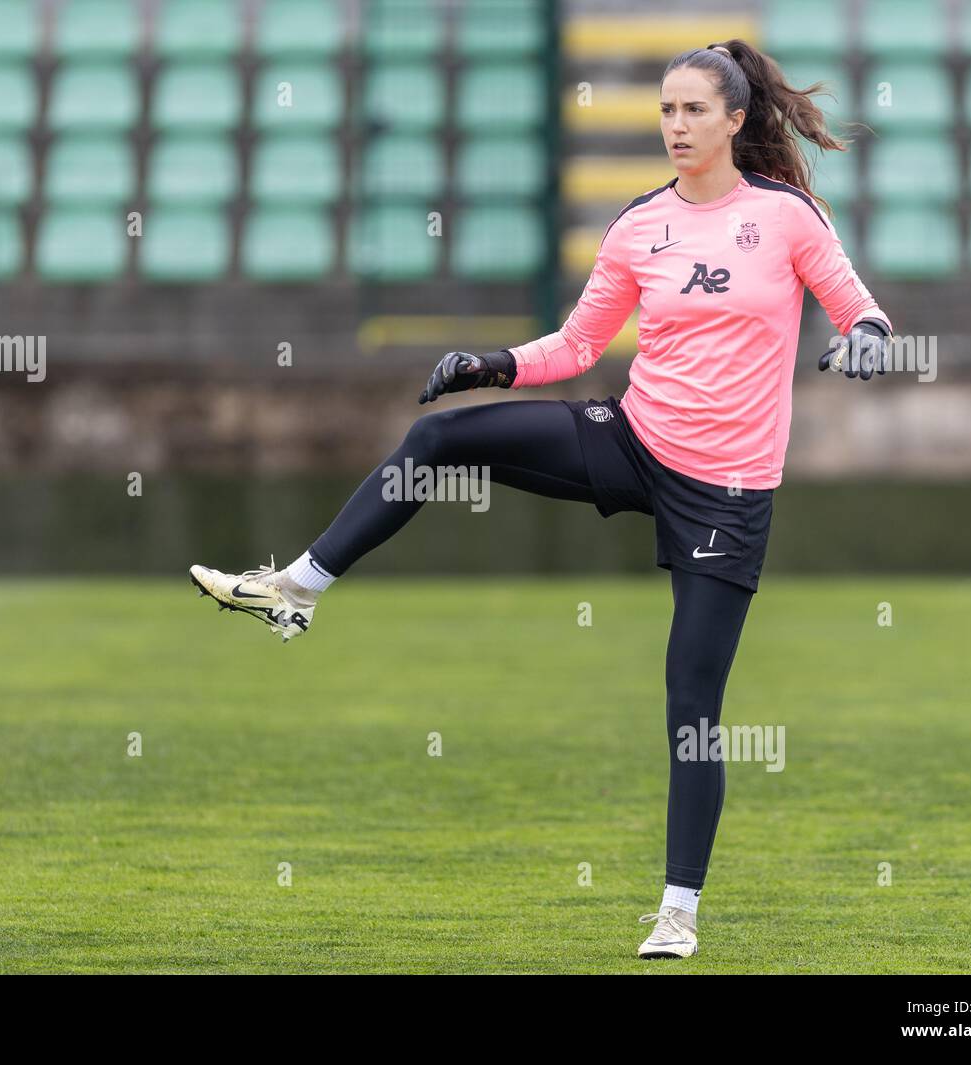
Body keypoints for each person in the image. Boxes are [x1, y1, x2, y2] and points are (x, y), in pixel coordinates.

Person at [189, 39, 893, 960]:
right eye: (666, 111)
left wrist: (871, 339)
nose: (676, 127)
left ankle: (678, 910)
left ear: (734, 120)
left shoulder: (787, 218)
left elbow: (859, 308)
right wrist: (492, 364)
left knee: (692, 704)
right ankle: (301, 587)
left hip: (726, 493)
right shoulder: (642, 225)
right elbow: (575, 344)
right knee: (442, 438)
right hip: (635, 440)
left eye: (692, 111)